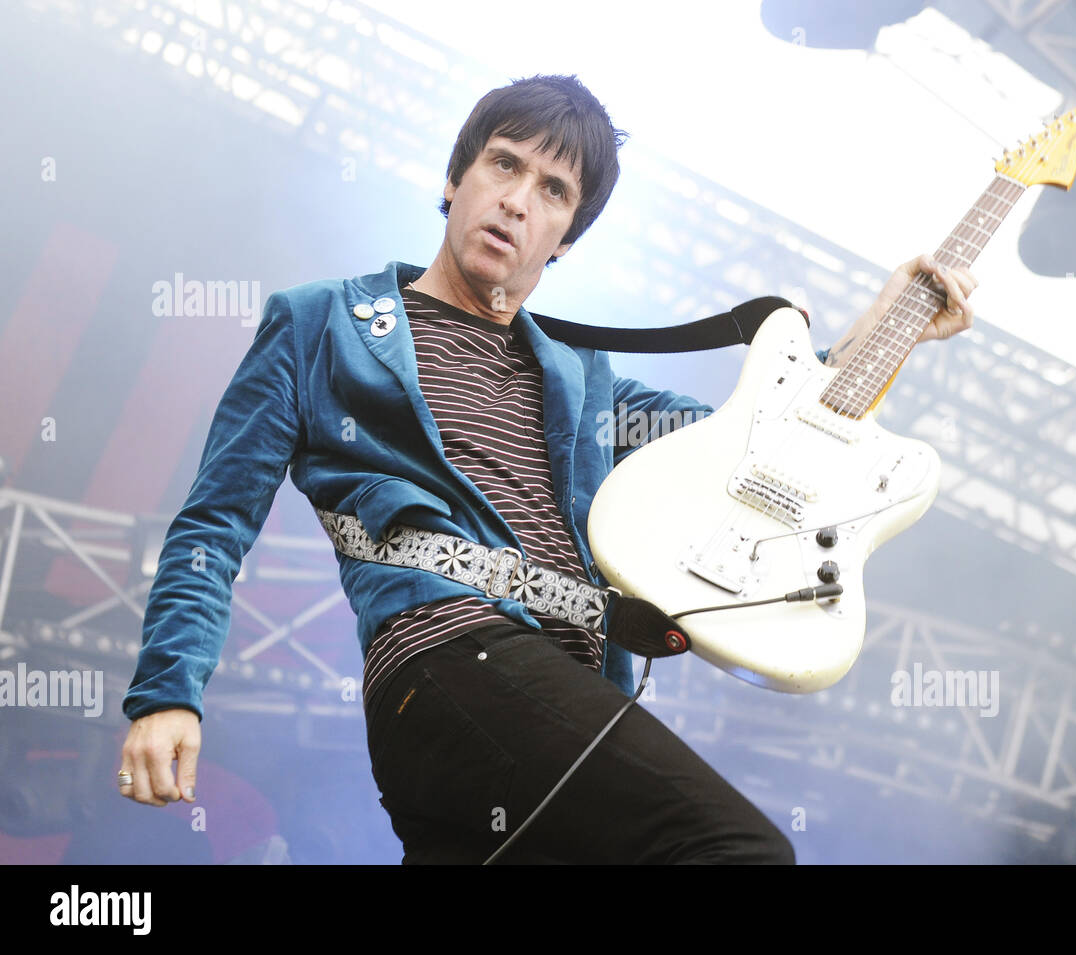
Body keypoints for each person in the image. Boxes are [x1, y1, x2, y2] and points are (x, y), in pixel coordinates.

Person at [117, 73, 977, 863]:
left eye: (553, 191)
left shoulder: (585, 378)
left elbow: (758, 432)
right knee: (741, 853)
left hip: (554, 699)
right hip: (449, 658)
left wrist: (889, 324)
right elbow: (214, 522)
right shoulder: (321, 323)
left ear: (567, 237)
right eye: (504, 165)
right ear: (456, 180)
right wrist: (168, 691)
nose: (517, 201)